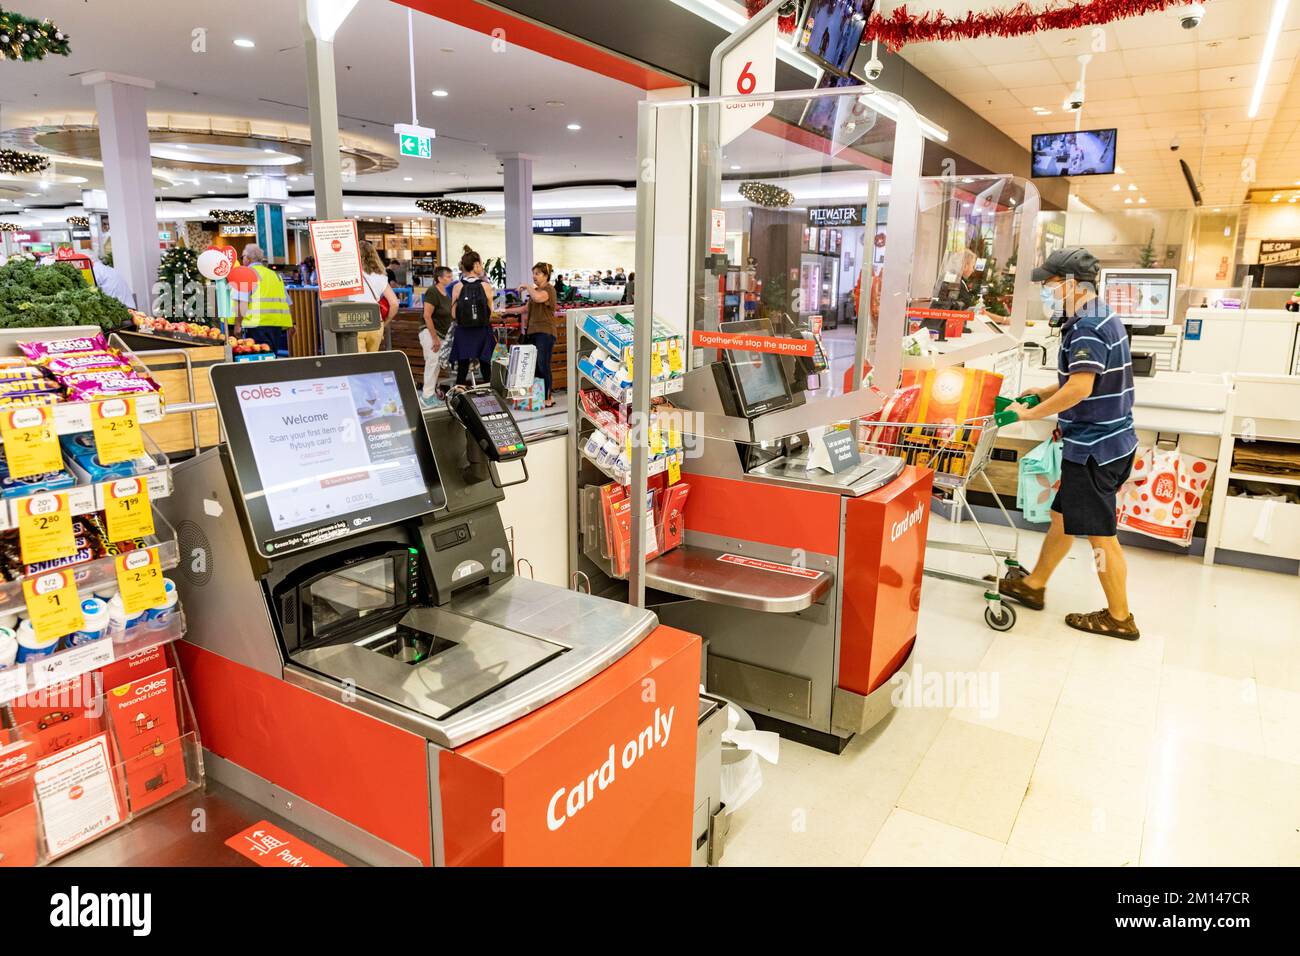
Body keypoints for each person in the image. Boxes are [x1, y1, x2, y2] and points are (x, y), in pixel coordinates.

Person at [997, 247, 1141, 640]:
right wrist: (1043, 392)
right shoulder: (1098, 315)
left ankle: (1119, 616)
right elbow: (1083, 376)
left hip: (1096, 450)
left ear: (1073, 284)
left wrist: (1028, 413)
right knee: (1062, 517)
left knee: (1100, 536)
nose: (1045, 290)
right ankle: (1035, 585)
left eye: (1049, 283)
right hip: (1112, 442)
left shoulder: (1087, 327)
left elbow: (1080, 388)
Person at [501, 261, 558, 407]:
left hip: (545, 333)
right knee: (536, 366)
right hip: (533, 333)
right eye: (533, 273)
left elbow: (539, 298)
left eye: (537, 273)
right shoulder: (536, 291)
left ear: (546, 275)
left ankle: (548, 397)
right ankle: (539, 396)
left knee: (542, 364)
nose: (534, 276)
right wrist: (505, 311)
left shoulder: (549, 290)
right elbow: (524, 309)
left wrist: (527, 287)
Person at [233, 244, 292, 355]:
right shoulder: (275, 275)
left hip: (256, 325)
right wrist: (293, 323)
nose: (242, 261)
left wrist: (237, 325)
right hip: (276, 325)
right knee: (272, 356)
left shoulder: (246, 274)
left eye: (242, 257)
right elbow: (287, 301)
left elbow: (242, 302)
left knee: (259, 358)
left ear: (248, 258)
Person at [449, 246, 495, 386]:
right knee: (485, 365)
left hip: (463, 331)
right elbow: (491, 311)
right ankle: (490, 395)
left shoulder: (457, 286)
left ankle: (458, 396)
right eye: (480, 263)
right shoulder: (485, 286)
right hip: (482, 330)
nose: (481, 266)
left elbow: (453, 313)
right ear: (475, 265)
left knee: (463, 366)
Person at [351, 240, 399, 353]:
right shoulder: (381, 276)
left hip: (354, 321)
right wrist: (385, 322)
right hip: (376, 322)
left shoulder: (350, 275)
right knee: (371, 363)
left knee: (359, 364)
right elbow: (394, 303)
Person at [420, 265, 455, 405]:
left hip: (442, 334)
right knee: (432, 361)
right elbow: (427, 316)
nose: (451, 279)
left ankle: (430, 393)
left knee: (436, 364)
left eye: (451, 276)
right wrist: (434, 338)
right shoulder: (433, 291)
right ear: (439, 278)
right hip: (429, 332)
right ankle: (426, 396)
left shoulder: (448, 293)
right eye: (448, 276)